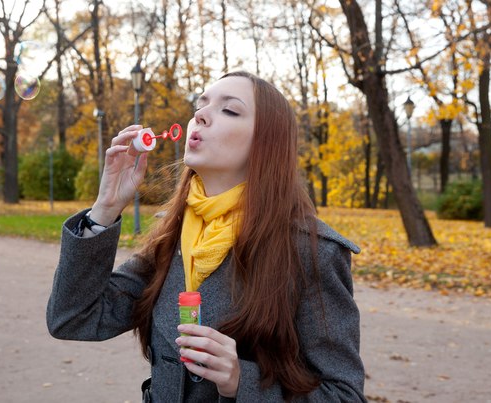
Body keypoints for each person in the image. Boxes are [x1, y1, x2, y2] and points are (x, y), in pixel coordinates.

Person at [47, 71, 366, 402]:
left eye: (229, 110)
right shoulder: (173, 236)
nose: (199, 116)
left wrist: (242, 382)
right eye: (199, 106)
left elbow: (344, 396)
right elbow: (74, 319)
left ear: (266, 142)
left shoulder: (310, 251)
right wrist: (105, 208)